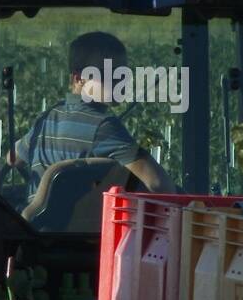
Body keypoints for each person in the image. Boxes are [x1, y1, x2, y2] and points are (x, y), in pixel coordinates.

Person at [9, 31, 176, 200]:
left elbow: (12, 158)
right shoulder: (104, 127)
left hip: (32, 224)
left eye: (123, 73)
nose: (119, 81)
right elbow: (158, 184)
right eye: (107, 73)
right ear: (78, 78)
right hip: (83, 226)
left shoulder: (45, 119)